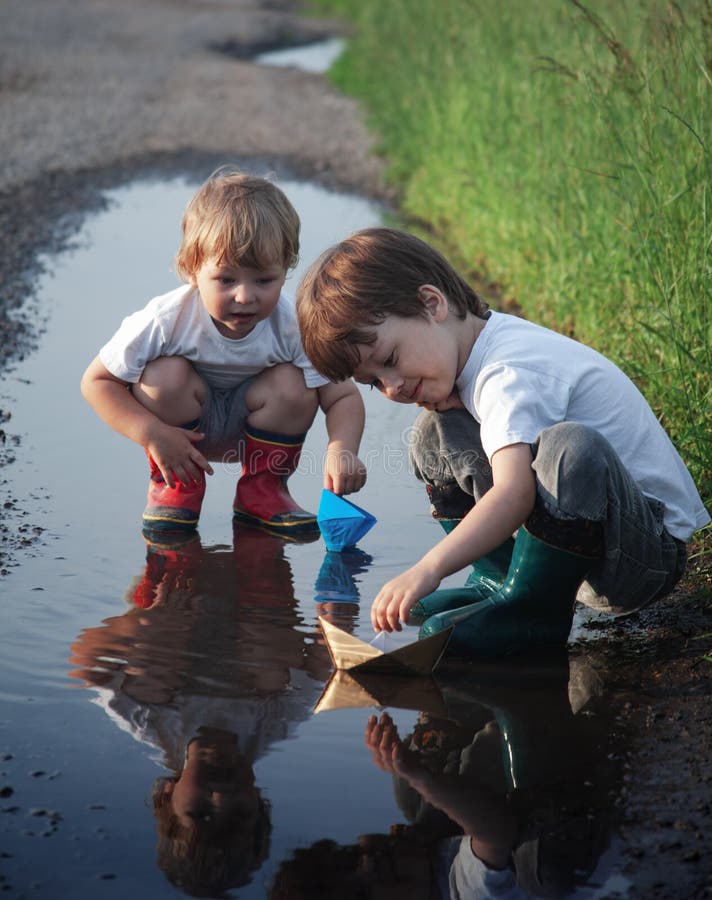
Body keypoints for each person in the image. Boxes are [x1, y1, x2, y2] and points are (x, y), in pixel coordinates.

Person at [296, 227, 710, 655]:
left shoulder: (506, 371)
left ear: (432, 303)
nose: (393, 388)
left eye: (390, 360)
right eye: (374, 382)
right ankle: (499, 581)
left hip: (644, 557)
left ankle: (532, 612)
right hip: (597, 545)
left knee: (570, 449)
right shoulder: (478, 348)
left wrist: (427, 569)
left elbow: (514, 494)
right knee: (433, 436)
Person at [80, 167, 367, 538]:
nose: (245, 296)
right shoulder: (166, 320)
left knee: (295, 383)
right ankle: (177, 488)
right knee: (162, 375)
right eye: (226, 279)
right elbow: (96, 382)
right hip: (176, 435)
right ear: (191, 269)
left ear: (287, 269)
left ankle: (262, 492)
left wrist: (342, 449)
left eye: (264, 280)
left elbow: (343, 395)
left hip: (257, 432)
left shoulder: (293, 324)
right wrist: (150, 433)